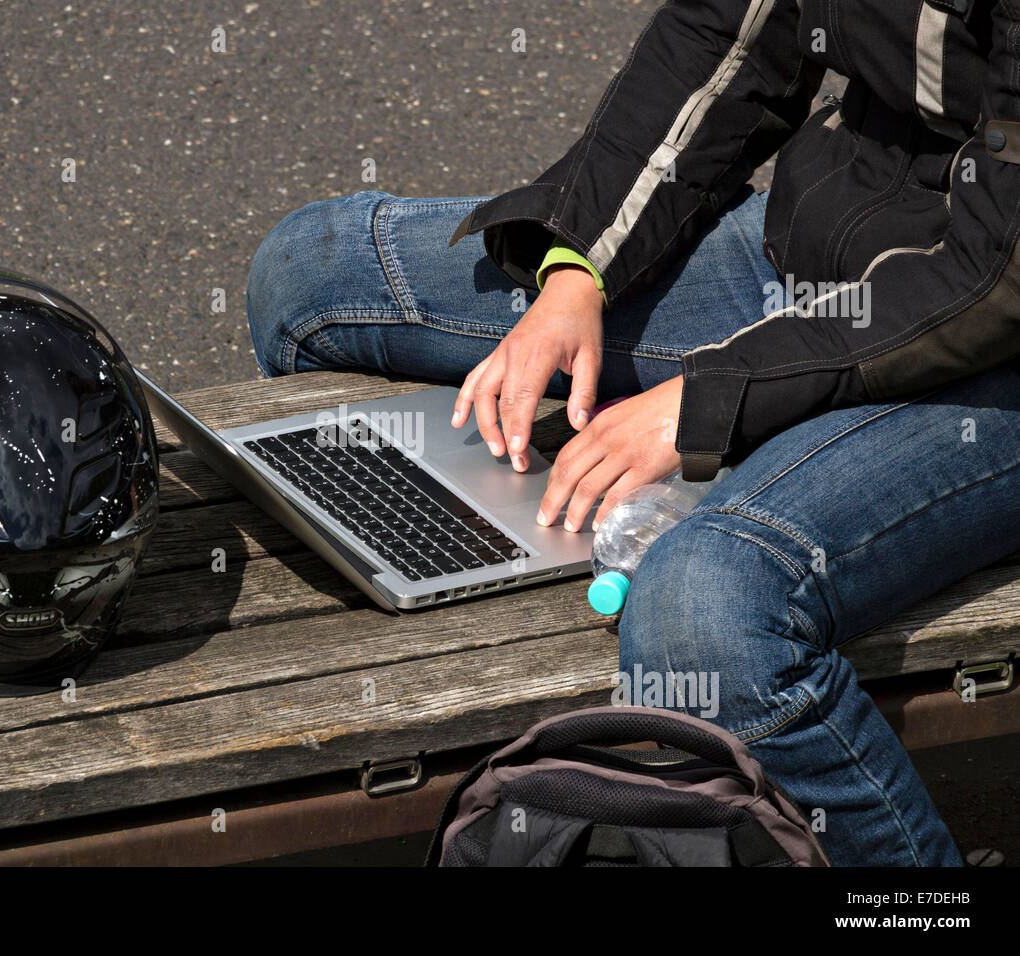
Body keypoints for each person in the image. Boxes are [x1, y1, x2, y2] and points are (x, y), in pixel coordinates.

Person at [245, 0, 1020, 865]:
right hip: (819, 251)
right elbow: (727, 29)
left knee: (703, 617)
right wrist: (578, 268)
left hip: (985, 354)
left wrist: (718, 396)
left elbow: (998, 280)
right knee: (309, 276)